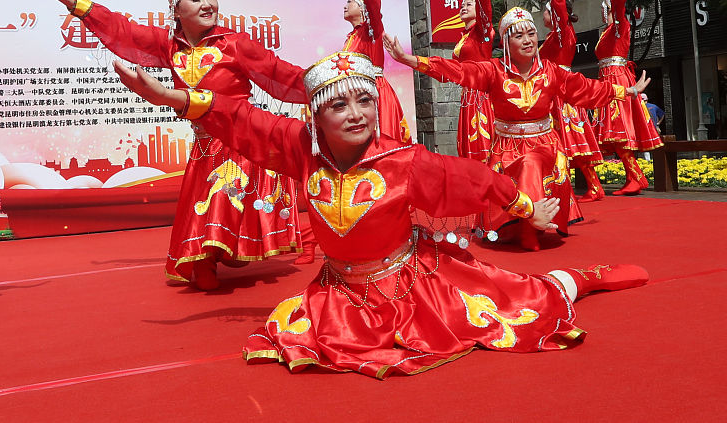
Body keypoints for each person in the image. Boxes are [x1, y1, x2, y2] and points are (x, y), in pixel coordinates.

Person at [112, 51, 647, 378]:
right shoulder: (301, 148)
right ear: (315, 116)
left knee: (515, 299)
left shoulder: (403, 160)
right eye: (338, 106)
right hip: (337, 290)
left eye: (364, 102)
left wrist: (526, 208)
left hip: (411, 285)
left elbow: (469, 178)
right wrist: (171, 97)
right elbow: (242, 119)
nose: (356, 115)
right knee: (298, 333)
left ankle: (577, 280)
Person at [45, 0, 310, 289]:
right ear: (176, 9)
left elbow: (283, 74)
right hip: (205, 144)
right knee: (202, 207)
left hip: (241, 140)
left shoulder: (235, 44)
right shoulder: (169, 46)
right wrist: (70, 0)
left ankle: (212, 259)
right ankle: (205, 263)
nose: (207, 4)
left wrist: (330, 86)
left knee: (221, 200)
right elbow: (123, 30)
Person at [384, 7, 650, 251]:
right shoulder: (493, 71)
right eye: (519, 36)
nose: (527, 40)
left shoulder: (550, 72)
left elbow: (584, 88)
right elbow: (457, 70)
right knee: (518, 169)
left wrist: (626, 91)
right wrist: (409, 59)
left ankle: (529, 229)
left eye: (531, 34)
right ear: (506, 42)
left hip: (545, 146)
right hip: (505, 149)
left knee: (531, 163)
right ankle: (523, 223)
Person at [591, 0, 663, 195]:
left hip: (617, 80)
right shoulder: (607, 32)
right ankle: (634, 177)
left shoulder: (619, 26)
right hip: (607, 81)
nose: (603, 12)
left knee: (619, 131)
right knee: (614, 134)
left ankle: (636, 177)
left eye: (605, 9)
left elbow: (620, 10)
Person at [540, 0, 607, 201]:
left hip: (562, 91)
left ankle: (574, 188)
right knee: (564, 140)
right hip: (553, 89)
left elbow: (560, 15)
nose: (543, 15)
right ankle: (584, 187)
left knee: (567, 139)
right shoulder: (553, 36)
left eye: (546, 11)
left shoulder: (563, 32)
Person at [342, 0, 411, 144]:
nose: (345, 6)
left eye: (350, 2)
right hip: (358, 93)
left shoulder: (371, 29)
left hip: (375, 92)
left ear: (362, 7)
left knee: (382, 145)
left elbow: (373, 3)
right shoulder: (351, 37)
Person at [452, 0, 496, 162]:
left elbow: (485, 5)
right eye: (462, 5)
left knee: (483, 144)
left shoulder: (482, 32)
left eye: (468, 5)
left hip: (482, 95)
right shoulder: (464, 37)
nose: (463, 7)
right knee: (468, 146)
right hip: (467, 95)